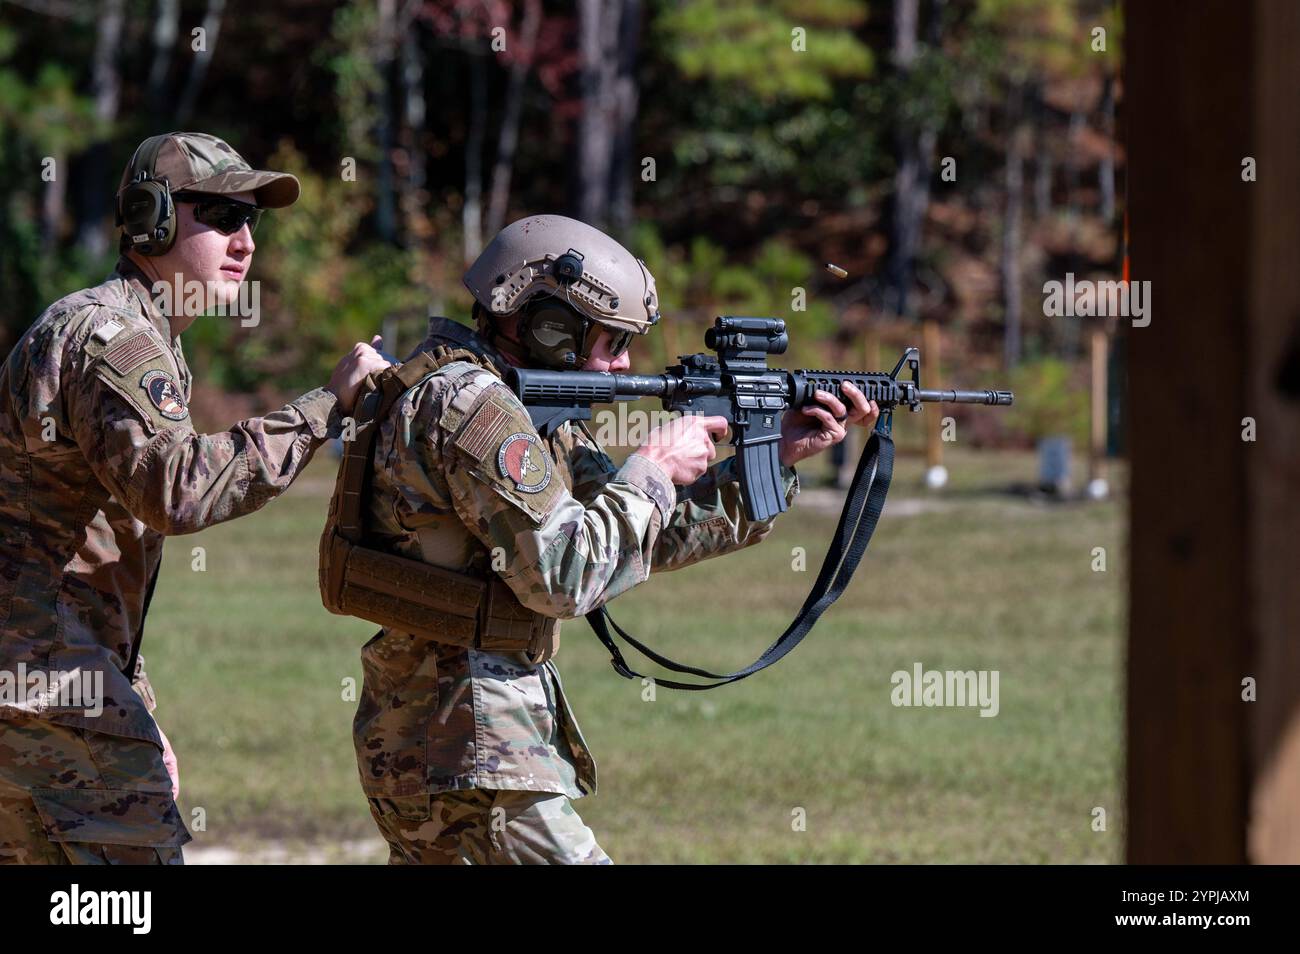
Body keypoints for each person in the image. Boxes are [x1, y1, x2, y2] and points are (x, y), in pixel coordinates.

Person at [349, 214, 878, 864]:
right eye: (613, 340)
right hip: (468, 738)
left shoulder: (513, 410)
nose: (626, 362)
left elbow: (634, 538)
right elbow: (565, 577)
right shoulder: (477, 412)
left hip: (441, 729)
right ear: (549, 325)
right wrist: (652, 469)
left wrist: (774, 459)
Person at [0, 132, 388, 864]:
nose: (244, 241)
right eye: (219, 213)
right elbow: (175, 491)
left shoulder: (123, 329)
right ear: (152, 219)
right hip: (48, 679)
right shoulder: (119, 340)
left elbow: (80, 546)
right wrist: (324, 406)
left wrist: (130, 695)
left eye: (252, 221)